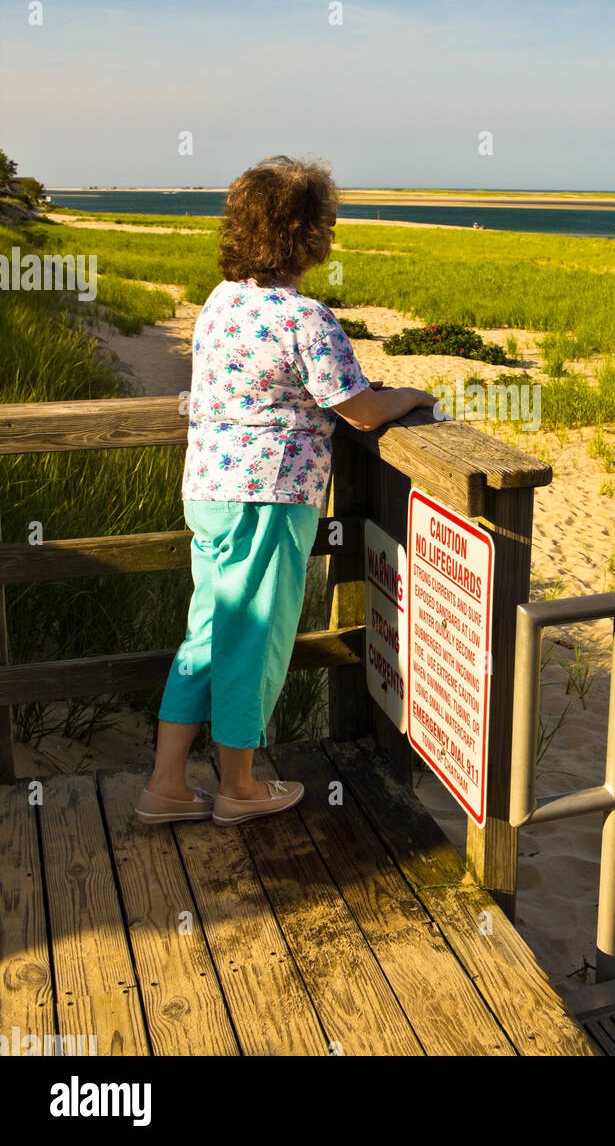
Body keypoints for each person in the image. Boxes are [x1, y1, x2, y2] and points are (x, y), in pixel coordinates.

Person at [135, 155, 438, 827]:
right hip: (267, 497)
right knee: (255, 637)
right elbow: (356, 410)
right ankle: (239, 786)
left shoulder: (221, 302)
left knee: (209, 630)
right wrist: (410, 395)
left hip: (211, 489)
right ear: (309, 238)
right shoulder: (304, 317)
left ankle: (166, 784)